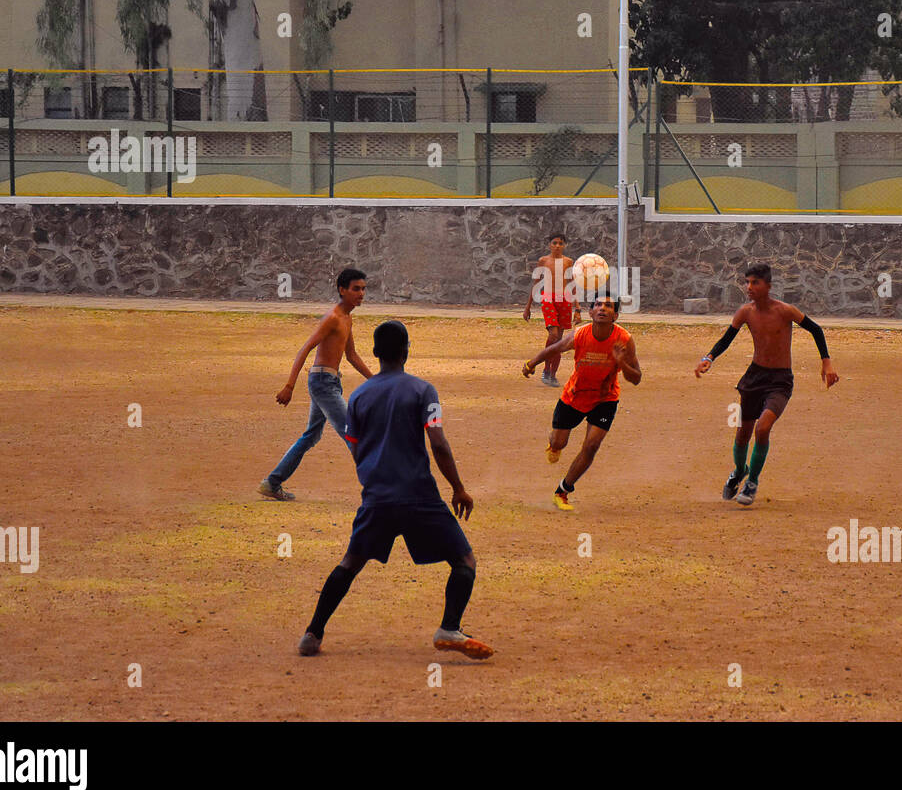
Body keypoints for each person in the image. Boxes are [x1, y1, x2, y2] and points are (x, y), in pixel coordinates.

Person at [297, 321, 492, 660]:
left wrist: (374, 477)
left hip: (378, 497)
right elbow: (439, 444)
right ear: (407, 351)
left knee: (350, 563)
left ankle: (312, 634)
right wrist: (458, 488)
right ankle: (449, 626)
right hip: (419, 496)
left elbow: (355, 447)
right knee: (464, 561)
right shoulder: (422, 390)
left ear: (374, 353)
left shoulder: (358, 396)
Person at [694, 264, 839, 506]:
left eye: (755, 283)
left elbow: (816, 329)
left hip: (780, 380)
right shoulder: (745, 312)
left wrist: (827, 363)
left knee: (763, 428)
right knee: (743, 434)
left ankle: (752, 481)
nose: (749, 287)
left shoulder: (786, 311)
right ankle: (739, 471)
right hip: (754, 377)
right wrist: (708, 358)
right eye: (747, 282)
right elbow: (726, 339)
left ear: (768, 286)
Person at [258, 268, 374, 501]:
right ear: (342, 290)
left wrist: (377, 380)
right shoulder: (333, 318)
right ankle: (378, 490)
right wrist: (290, 385)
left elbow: (351, 355)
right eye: (356, 289)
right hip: (322, 383)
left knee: (311, 436)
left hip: (330, 381)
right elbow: (305, 348)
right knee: (352, 434)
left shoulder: (347, 318)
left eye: (363, 289)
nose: (361, 293)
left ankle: (272, 483)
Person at [522, 293, 641, 511]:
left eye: (608, 306)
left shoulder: (624, 339)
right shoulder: (581, 334)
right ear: (591, 312)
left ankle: (563, 490)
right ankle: (555, 446)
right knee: (559, 442)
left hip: (605, 399)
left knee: (592, 445)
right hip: (574, 396)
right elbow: (554, 348)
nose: (602, 308)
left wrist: (621, 362)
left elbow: (636, 378)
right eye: (598, 305)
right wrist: (532, 363)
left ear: (615, 315)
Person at [522, 233, 580, 387]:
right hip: (547, 297)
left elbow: (572, 284)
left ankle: (551, 374)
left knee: (559, 340)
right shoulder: (543, 261)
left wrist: (578, 308)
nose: (557, 246)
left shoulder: (568, 262)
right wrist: (528, 307)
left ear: (564, 245)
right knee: (553, 334)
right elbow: (536, 283)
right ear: (549, 245)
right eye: (554, 243)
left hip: (564, 299)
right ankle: (543, 366)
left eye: (561, 243)